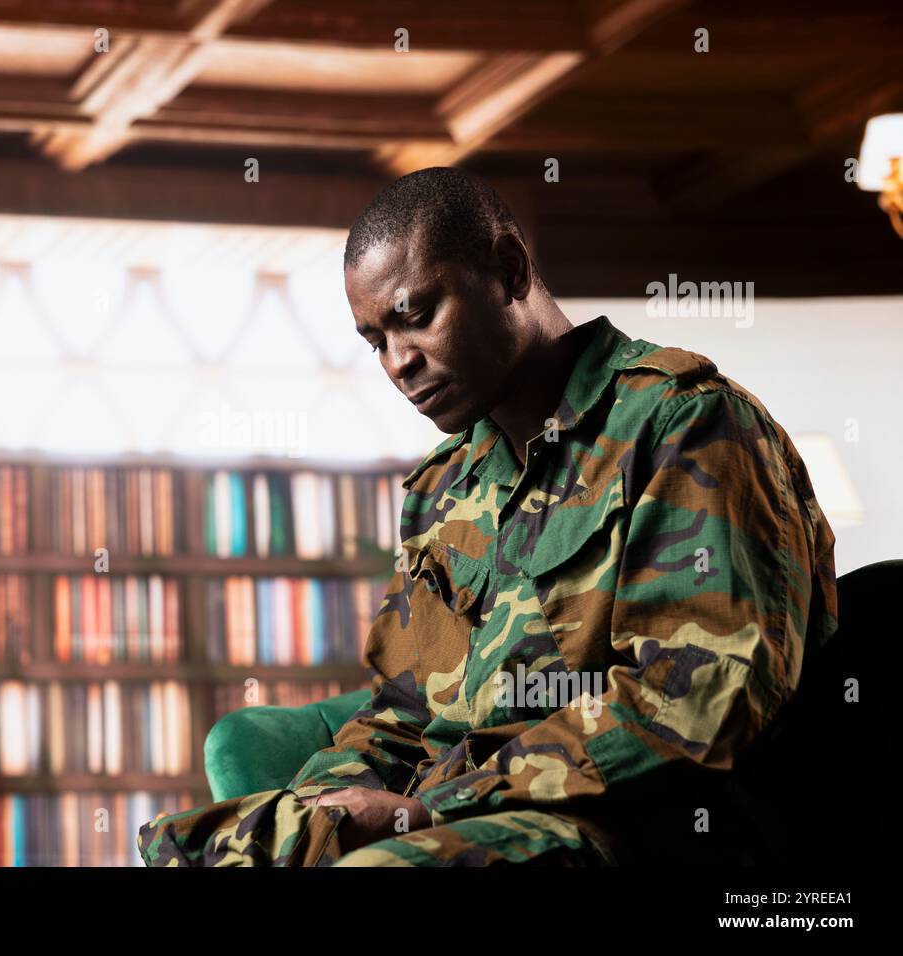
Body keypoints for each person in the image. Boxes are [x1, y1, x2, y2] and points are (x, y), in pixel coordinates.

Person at [137, 166, 838, 867]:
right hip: (464, 818)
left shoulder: (685, 424)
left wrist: (432, 806)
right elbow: (403, 718)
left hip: (643, 826)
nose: (398, 363)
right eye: (374, 340)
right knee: (190, 850)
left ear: (509, 270)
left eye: (415, 317)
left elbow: (698, 701)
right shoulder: (443, 486)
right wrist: (327, 813)